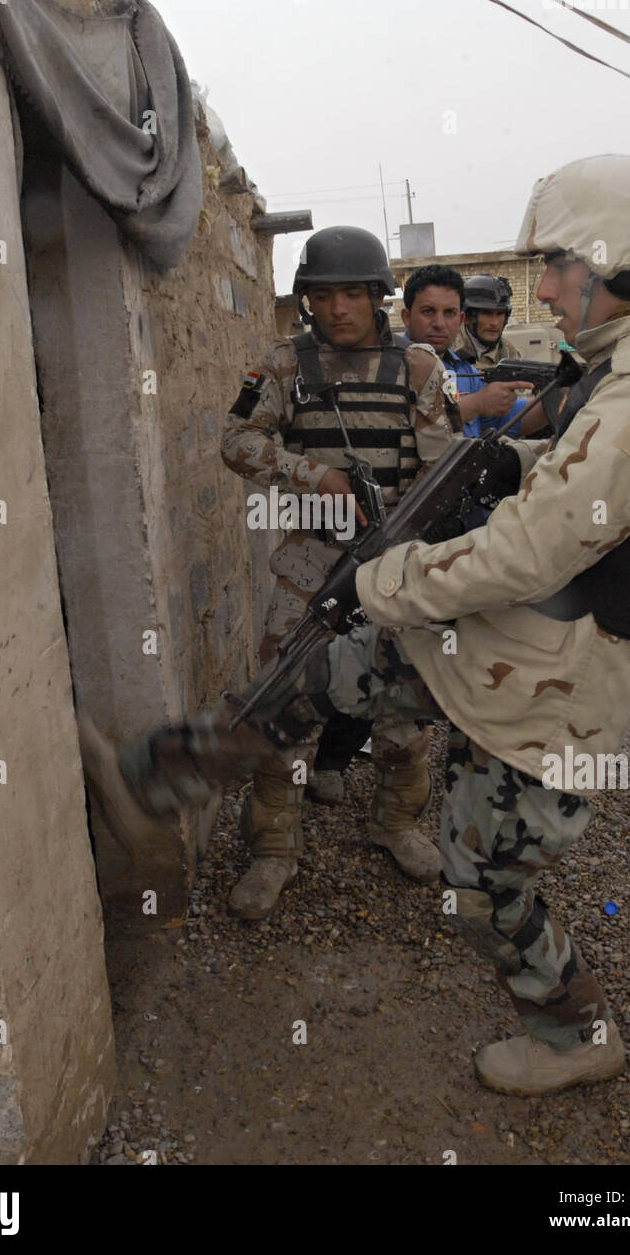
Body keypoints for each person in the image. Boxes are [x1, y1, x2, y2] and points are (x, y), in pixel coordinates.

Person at [80, 154, 630, 1094]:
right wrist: (516, 465)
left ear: (611, 258)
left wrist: (393, 579)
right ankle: (161, 776)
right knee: (329, 666)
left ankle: (577, 1033)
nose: (541, 287)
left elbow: (530, 552)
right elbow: (576, 476)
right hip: (501, 636)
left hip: (551, 675)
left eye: (555, 264)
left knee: (483, 876)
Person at [213, 225, 461, 919]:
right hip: (310, 565)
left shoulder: (417, 368)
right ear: (307, 300)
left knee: (408, 709)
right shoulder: (283, 365)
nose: (341, 307)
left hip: (396, 564)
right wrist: (310, 471)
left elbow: (445, 468)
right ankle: (272, 848)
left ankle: (396, 823)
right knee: (280, 702)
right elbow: (235, 441)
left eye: (354, 293)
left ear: (377, 296)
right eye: (326, 294)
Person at [396, 265, 545, 438]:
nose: (439, 323)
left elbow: (508, 420)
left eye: (449, 313)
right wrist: (476, 403)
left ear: (461, 319)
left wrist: (560, 398)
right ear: (406, 317)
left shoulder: (463, 369)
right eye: (428, 311)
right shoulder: (390, 367)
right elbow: (400, 427)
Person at [453, 274, 521, 368]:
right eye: (487, 313)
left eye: (500, 314)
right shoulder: (449, 348)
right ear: (467, 317)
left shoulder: (508, 352)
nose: (495, 323)